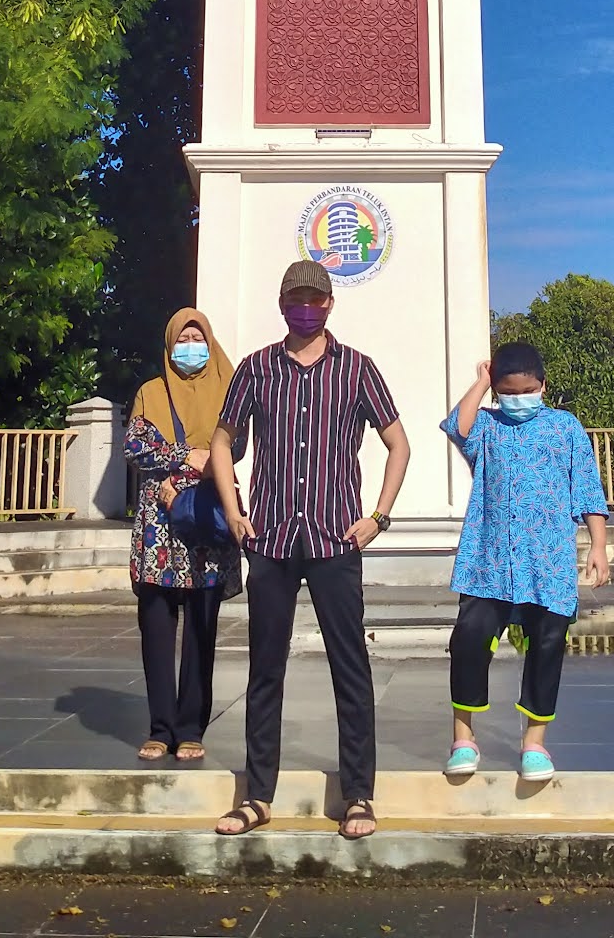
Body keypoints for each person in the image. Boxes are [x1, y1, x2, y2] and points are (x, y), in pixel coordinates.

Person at [208, 259, 410, 842]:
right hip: (269, 540)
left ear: (329, 304)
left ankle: (359, 795)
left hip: (334, 541)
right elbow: (223, 442)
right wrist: (233, 512)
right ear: (282, 303)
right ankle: (258, 795)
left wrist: (377, 517)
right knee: (264, 669)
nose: (306, 306)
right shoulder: (255, 369)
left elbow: (398, 443)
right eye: (296, 297)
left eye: (315, 298)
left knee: (351, 668)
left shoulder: (357, 369)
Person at [440, 341, 610, 781]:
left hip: (546, 563)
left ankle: (535, 744)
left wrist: (598, 545)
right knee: (469, 641)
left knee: (548, 646)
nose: (519, 400)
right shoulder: (488, 428)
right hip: (488, 561)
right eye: (508, 392)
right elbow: (458, 427)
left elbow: (587, 487)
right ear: (497, 391)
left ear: (544, 386)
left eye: (529, 390)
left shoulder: (565, 428)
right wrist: (480, 382)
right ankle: (463, 738)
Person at [124, 308, 243, 762]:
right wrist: (186, 456)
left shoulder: (228, 388)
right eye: (182, 338)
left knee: (201, 627)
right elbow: (136, 446)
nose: (190, 346)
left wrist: (204, 460)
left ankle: (191, 727)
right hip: (158, 526)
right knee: (155, 625)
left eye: (198, 337)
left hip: (208, 518)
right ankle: (160, 727)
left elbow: (240, 442)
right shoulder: (150, 392)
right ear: (169, 344)